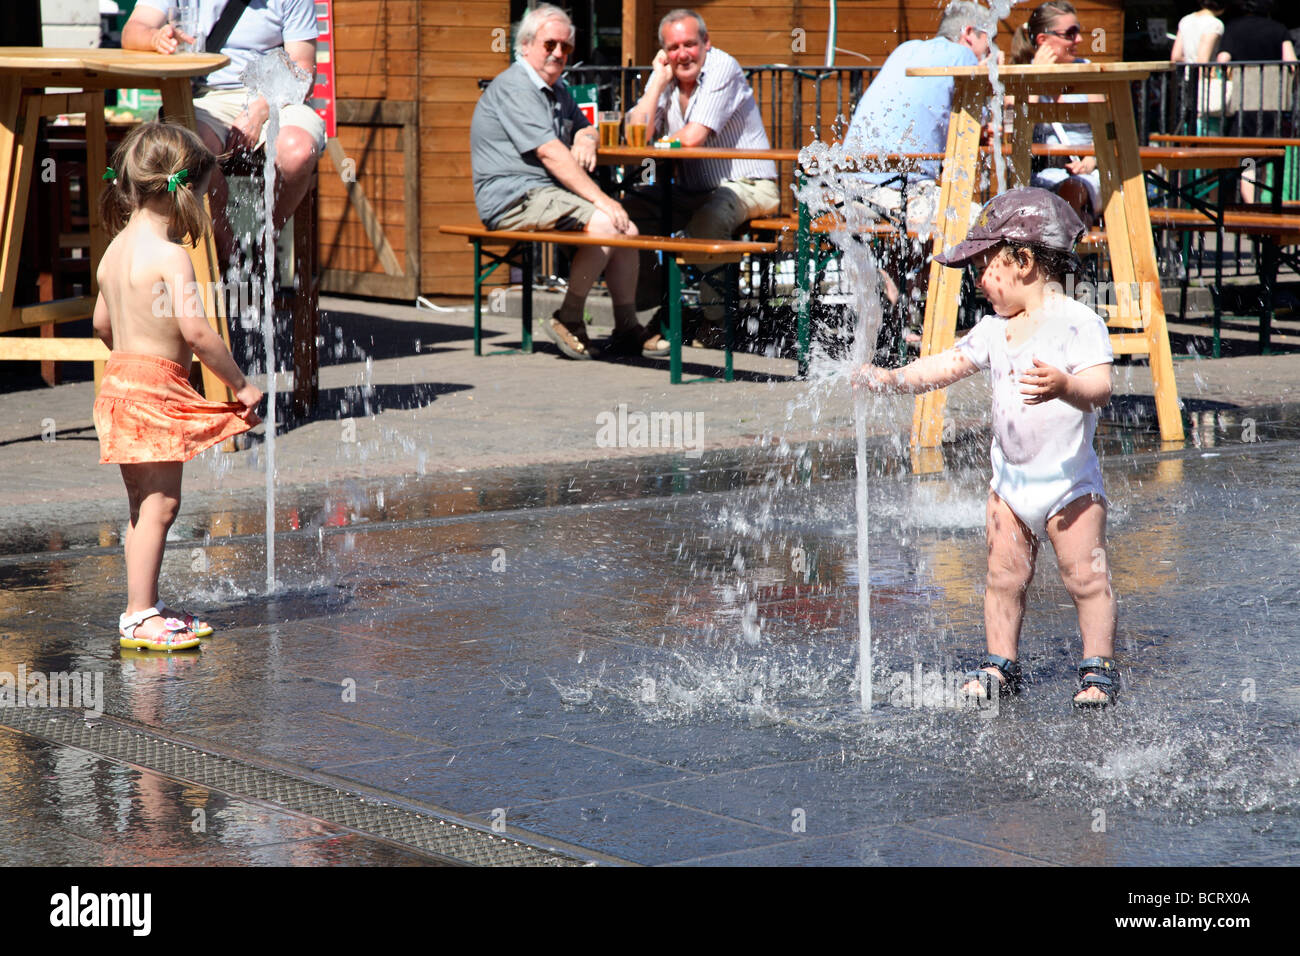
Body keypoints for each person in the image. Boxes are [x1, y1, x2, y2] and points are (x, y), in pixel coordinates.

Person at [854, 188, 1119, 708]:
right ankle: (1001, 664)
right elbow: (946, 365)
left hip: (1070, 483)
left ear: (1022, 261)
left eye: (985, 267)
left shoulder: (1078, 323)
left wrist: (1066, 385)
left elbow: (1101, 387)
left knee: (1085, 576)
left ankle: (1099, 668)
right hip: (1012, 483)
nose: (978, 281)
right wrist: (892, 379)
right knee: (1002, 577)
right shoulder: (995, 329)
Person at [93, 122, 264, 652]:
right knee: (162, 505)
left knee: (143, 506)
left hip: (118, 383)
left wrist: (132, 355)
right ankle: (138, 615)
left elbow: (101, 323)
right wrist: (241, 384)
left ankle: (144, 604)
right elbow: (197, 332)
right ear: (185, 190)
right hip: (151, 390)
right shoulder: (171, 257)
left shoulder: (114, 250)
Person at [471, 4, 657, 360]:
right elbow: (551, 154)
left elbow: (584, 125)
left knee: (627, 228)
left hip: (543, 195)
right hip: (512, 199)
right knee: (608, 220)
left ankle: (626, 326)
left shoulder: (555, 88)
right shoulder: (516, 86)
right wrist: (604, 200)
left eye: (566, 47)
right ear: (525, 45)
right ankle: (568, 317)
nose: (558, 53)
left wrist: (587, 137)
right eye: (550, 44)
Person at [121, 0, 326, 266]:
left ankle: (264, 242)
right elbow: (132, 30)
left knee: (297, 150)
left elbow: (303, 69)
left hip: (275, 95)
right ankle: (227, 248)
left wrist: (261, 108)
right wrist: (155, 38)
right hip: (207, 95)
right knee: (192, 151)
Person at [840, 1, 995, 342]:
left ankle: (900, 304)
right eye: (990, 40)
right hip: (894, 188)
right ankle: (971, 324)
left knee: (927, 221)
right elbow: (982, 124)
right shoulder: (966, 59)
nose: (991, 49)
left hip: (850, 186)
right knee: (980, 219)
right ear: (968, 34)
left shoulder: (906, 49)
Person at [622, 8, 780, 334]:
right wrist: (656, 85)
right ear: (664, 52)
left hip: (749, 185)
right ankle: (660, 309)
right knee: (628, 213)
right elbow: (634, 133)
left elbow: (693, 137)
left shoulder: (722, 67)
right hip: (694, 191)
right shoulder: (666, 76)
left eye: (689, 44)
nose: (682, 54)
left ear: (706, 43)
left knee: (708, 219)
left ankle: (717, 324)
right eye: (673, 47)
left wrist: (655, 144)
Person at [1010, 1, 1101, 224]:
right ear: (1043, 40)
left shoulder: (1091, 72)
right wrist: (1034, 79)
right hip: (1044, 175)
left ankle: (1065, 253)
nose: (1079, 39)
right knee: (1025, 200)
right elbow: (1016, 133)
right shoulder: (1021, 76)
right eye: (1070, 33)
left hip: (1087, 175)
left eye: (1078, 31)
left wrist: (1090, 160)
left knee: (1071, 189)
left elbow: (1110, 133)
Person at [1216, 0, 1297, 202]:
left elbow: (1222, 59)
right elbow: (1291, 62)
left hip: (1243, 102)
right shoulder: (1279, 29)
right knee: (1266, 155)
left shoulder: (1234, 28)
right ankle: (1262, 203)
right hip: (1272, 102)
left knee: (1247, 158)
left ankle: (1252, 204)